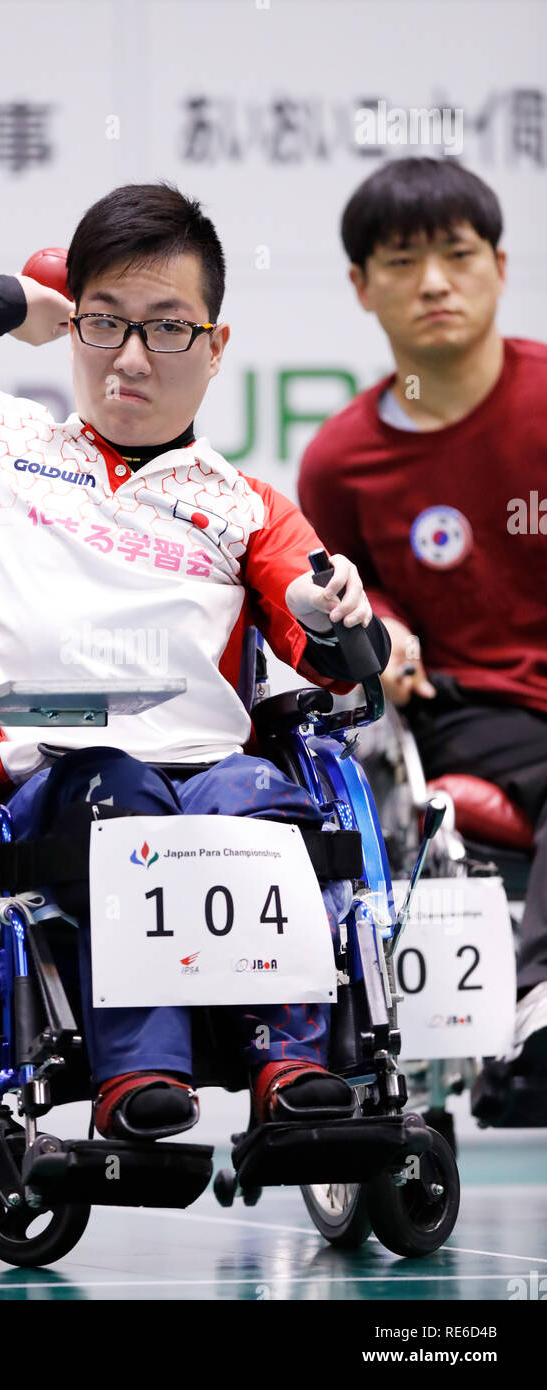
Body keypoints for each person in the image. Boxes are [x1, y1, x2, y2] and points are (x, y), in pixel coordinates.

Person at [0, 182, 390, 1139]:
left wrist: (327, 613)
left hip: (212, 778)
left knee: (255, 789)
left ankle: (288, 1062)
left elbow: (332, 654)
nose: (130, 358)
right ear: (73, 322)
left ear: (217, 348)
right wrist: (17, 303)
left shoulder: (245, 504)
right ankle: (139, 1075)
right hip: (48, 787)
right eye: (106, 324)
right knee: (119, 787)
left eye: (167, 329)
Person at [297, 157, 547, 1122]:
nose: (435, 282)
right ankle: (533, 1014)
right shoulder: (344, 460)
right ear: (363, 286)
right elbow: (345, 605)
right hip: (472, 710)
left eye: (457, 254)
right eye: (404, 261)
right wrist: (385, 631)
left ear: (499, 265)